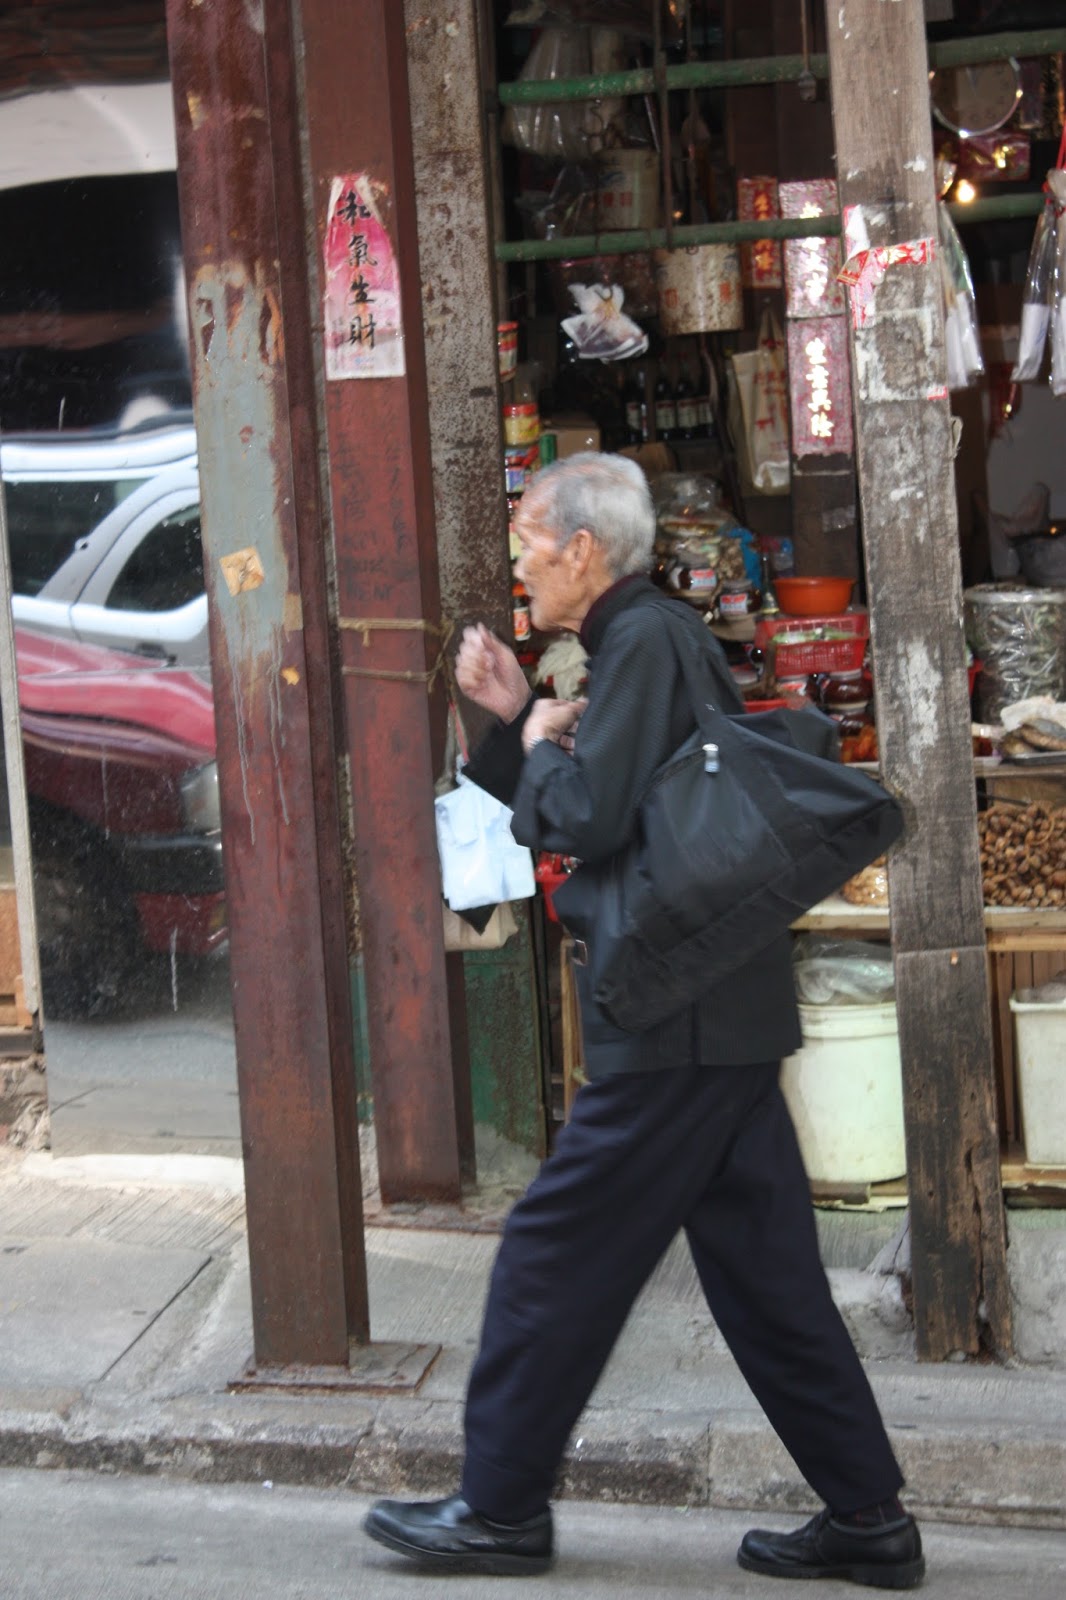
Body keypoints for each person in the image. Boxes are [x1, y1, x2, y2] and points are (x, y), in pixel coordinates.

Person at [364, 453, 924, 1590]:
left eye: (529, 534)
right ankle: (868, 1518)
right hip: (714, 1008)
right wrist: (516, 722)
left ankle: (500, 1506)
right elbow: (593, 798)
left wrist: (527, 738)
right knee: (767, 1283)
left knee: (550, 1252)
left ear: (583, 550)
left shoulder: (644, 639)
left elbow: (586, 811)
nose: (519, 556)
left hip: (673, 1013)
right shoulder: (639, 644)